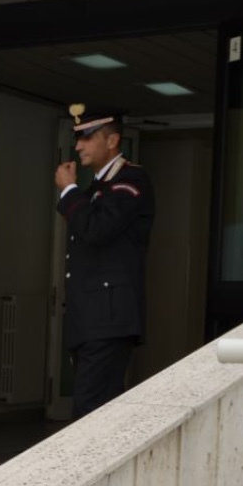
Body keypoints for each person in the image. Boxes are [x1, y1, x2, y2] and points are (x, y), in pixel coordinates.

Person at [54, 104, 155, 418]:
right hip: (91, 320)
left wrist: (69, 190)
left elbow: (96, 229)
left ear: (112, 141)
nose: (78, 146)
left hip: (109, 318)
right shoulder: (98, 187)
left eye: (86, 137)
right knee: (95, 410)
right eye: (77, 138)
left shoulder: (131, 179)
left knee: (91, 410)